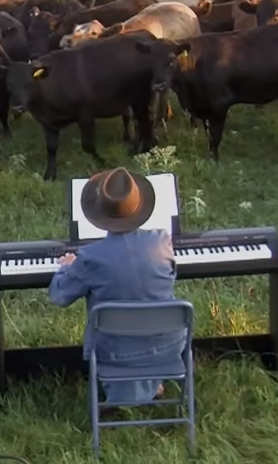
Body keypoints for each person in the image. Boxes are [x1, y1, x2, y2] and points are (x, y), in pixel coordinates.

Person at [48, 167, 187, 404]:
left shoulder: (91, 257)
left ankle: (134, 388)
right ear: (139, 208)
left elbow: (59, 296)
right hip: (170, 345)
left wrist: (66, 267)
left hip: (117, 353)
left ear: (99, 214)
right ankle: (152, 380)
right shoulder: (162, 242)